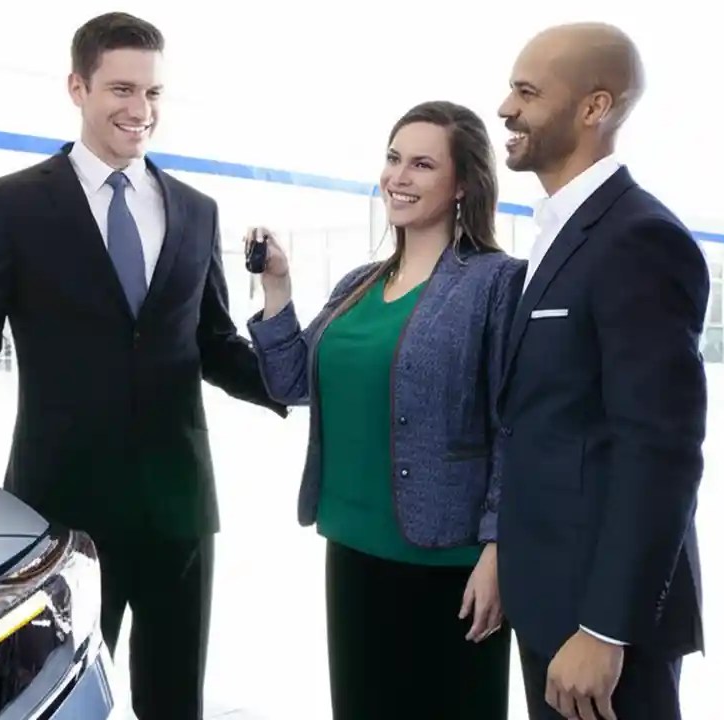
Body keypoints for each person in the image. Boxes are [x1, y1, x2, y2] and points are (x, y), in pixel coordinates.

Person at [0, 11, 285, 719]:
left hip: (178, 509)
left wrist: (299, 376)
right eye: (122, 90)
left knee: (176, 703)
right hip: (63, 507)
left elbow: (213, 342)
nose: (141, 110)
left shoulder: (196, 210)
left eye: (154, 93)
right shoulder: (15, 204)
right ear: (78, 88)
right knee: (56, 702)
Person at [243, 100, 526, 719]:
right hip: (352, 548)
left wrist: (499, 550)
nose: (399, 176)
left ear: (463, 183)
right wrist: (277, 285)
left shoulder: (497, 282)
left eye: (422, 164)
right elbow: (290, 381)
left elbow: (512, 425)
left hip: (451, 563)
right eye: (394, 158)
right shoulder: (359, 284)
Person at [495, 23, 708, 720]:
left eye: (527, 92)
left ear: (595, 107)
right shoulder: (560, 232)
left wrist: (605, 629)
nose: (505, 108)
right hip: (551, 603)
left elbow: (660, 450)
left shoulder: (639, 238)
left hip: (602, 631)